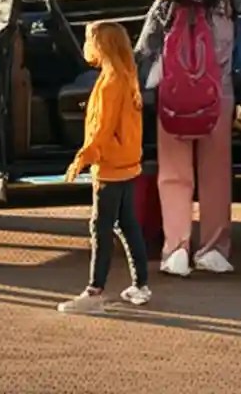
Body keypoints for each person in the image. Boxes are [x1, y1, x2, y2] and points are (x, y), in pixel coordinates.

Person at [135, 0, 238, 277]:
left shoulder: (166, 5)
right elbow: (227, 53)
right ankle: (213, 250)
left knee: (175, 176)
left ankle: (176, 249)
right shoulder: (223, 4)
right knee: (215, 177)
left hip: (174, 99)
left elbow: (144, 50)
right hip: (217, 99)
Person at [59, 21, 152, 314]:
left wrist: (82, 158)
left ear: (101, 46)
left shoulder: (109, 83)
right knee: (128, 225)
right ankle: (141, 284)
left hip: (109, 167)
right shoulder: (126, 77)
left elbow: (101, 128)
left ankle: (94, 290)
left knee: (100, 227)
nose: (86, 44)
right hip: (127, 164)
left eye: (89, 39)